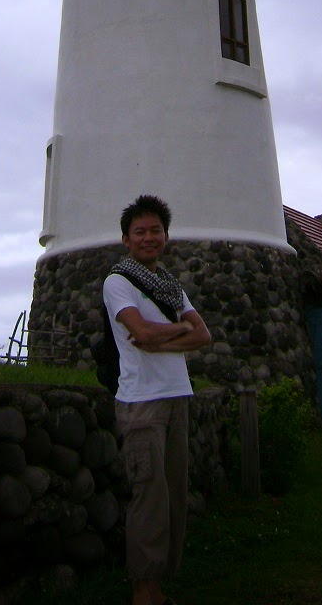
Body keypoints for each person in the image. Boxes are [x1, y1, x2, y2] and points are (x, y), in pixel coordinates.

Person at [103, 194, 211, 605]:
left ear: (166, 235)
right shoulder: (117, 282)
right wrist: (178, 331)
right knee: (149, 499)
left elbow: (202, 335)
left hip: (176, 395)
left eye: (155, 231)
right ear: (126, 239)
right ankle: (143, 593)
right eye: (140, 232)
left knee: (172, 500)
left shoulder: (170, 285)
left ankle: (158, 589)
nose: (148, 238)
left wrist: (162, 337)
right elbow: (142, 334)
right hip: (142, 401)